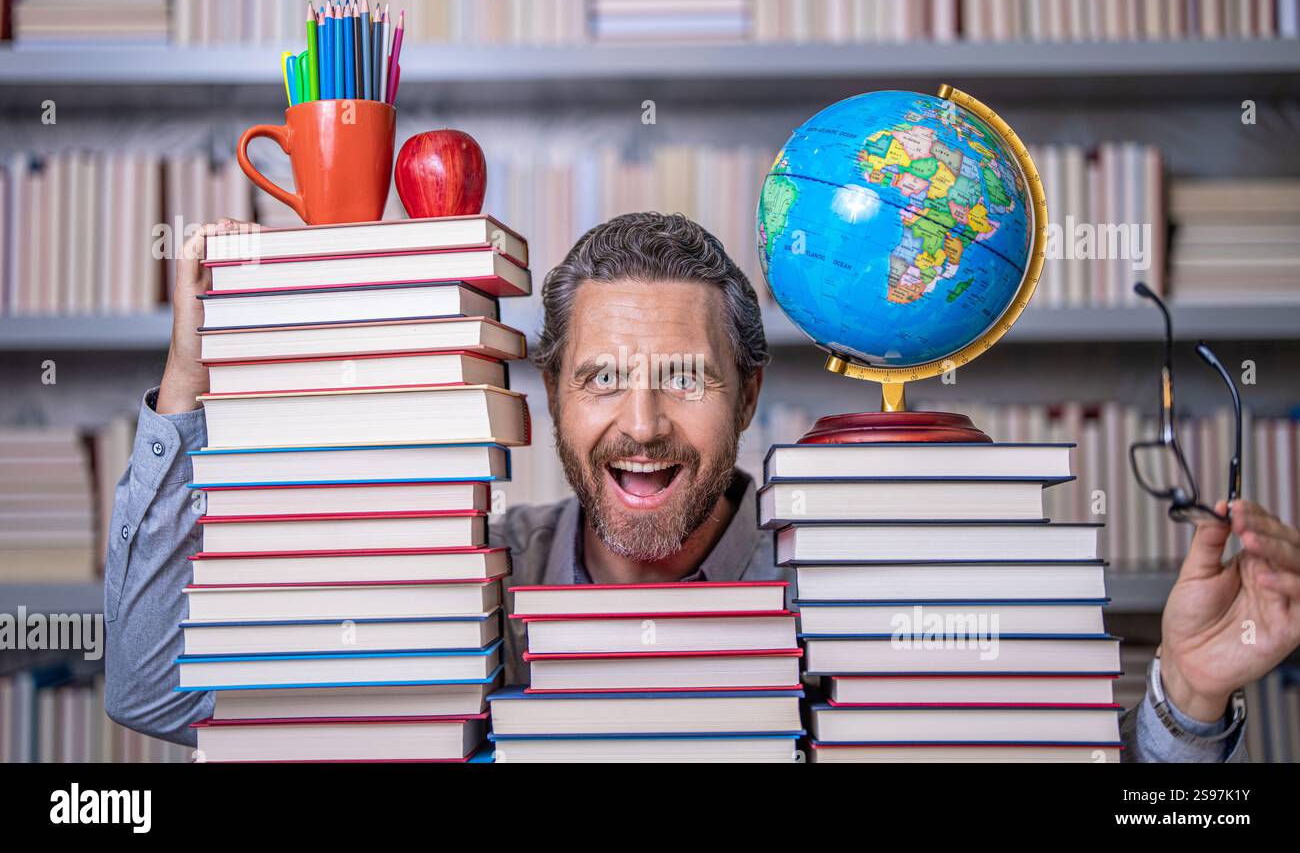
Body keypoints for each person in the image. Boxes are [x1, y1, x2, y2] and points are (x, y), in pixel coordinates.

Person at [106, 212, 1300, 761]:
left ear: (750, 389)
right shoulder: (468, 573)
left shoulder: (866, 581)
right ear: (549, 395)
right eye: (599, 380)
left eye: (683, 378)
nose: (639, 424)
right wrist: (190, 391)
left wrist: (1184, 702)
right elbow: (158, 689)